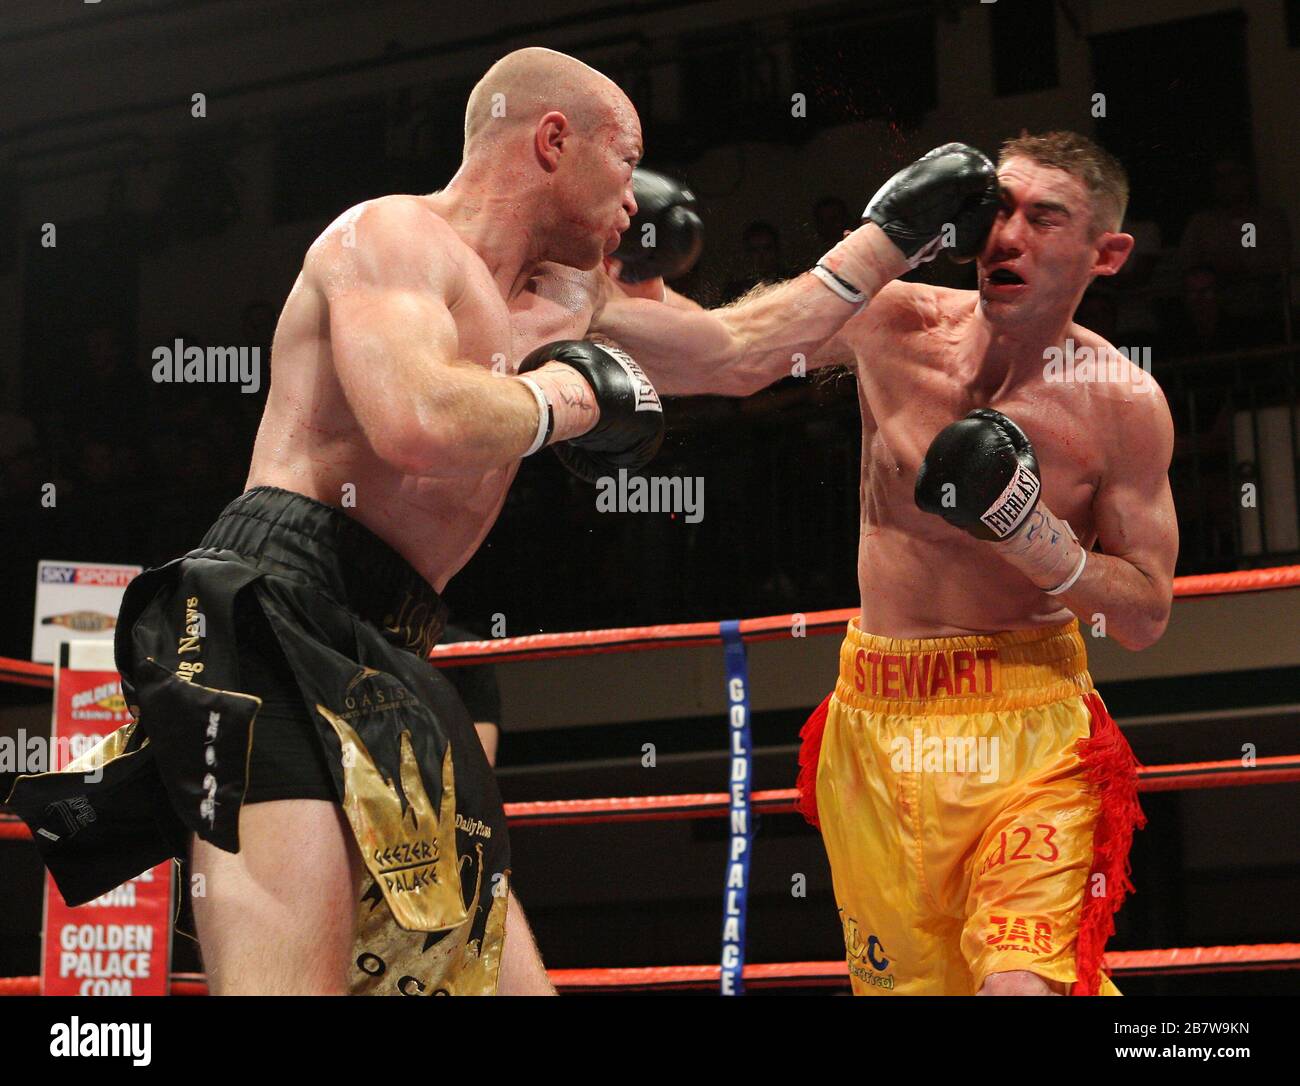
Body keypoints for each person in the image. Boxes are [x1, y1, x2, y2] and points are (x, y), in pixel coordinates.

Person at [11, 47, 995, 995]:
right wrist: (568, 397)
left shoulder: (569, 299)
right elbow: (418, 420)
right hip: (273, 612)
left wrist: (890, 235)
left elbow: (739, 352)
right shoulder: (390, 239)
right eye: (627, 160)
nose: (633, 198)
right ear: (553, 139)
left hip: (392, 644)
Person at [606, 131, 1176, 995]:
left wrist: (1039, 542)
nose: (1007, 236)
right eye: (997, 209)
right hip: (876, 718)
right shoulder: (894, 320)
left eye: (1043, 218)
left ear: (1109, 253)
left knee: (1021, 982)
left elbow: (1143, 617)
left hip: (1033, 731)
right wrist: (631, 276)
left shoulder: (1123, 405)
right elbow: (722, 355)